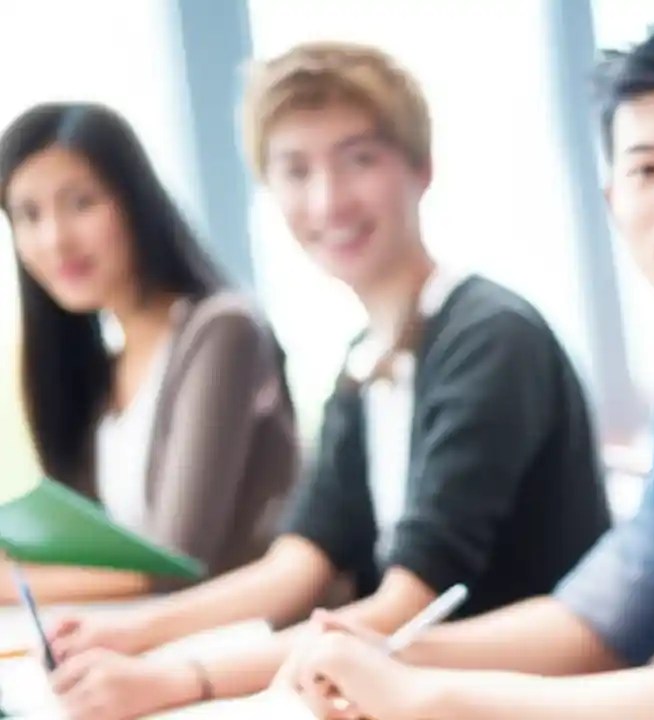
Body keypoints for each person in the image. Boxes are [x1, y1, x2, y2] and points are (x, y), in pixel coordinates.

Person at [270, 12, 654, 720]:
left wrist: (429, 694)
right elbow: (603, 613)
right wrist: (389, 651)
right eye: (647, 168)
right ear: (614, 203)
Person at [42, 42, 612, 720]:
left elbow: (406, 607)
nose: (328, 199)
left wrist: (178, 677)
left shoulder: (488, 336)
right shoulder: (363, 358)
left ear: (420, 168)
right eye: (295, 170)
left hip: (510, 697)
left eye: (359, 160)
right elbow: (296, 566)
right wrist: (129, 634)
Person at [0, 102, 298, 604]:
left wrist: (15, 585)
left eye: (80, 203)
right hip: (146, 648)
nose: (55, 238)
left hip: (240, 648)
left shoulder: (222, 330)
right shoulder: (99, 371)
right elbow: (96, 555)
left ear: (135, 200)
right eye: (28, 215)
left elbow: (174, 564)